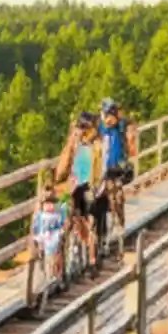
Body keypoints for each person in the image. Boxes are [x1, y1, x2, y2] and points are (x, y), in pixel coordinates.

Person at [54, 111, 105, 268]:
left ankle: (91, 258)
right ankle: (58, 262)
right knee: (61, 215)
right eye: (82, 128)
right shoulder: (74, 146)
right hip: (73, 188)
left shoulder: (98, 146)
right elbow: (60, 173)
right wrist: (70, 144)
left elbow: (101, 170)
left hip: (90, 187)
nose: (84, 132)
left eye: (87, 128)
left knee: (89, 217)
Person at [97, 98, 137, 257]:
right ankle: (101, 239)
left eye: (111, 114)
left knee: (117, 201)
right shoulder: (100, 128)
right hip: (100, 173)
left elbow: (130, 124)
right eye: (107, 114)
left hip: (115, 172)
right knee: (98, 205)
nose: (109, 119)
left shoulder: (120, 127)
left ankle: (120, 232)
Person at [30, 185, 67, 281]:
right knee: (40, 244)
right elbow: (35, 222)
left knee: (56, 247)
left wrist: (62, 230)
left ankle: (57, 272)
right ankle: (43, 270)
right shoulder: (40, 208)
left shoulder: (58, 206)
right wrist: (34, 234)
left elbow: (62, 221)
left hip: (55, 232)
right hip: (43, 233)